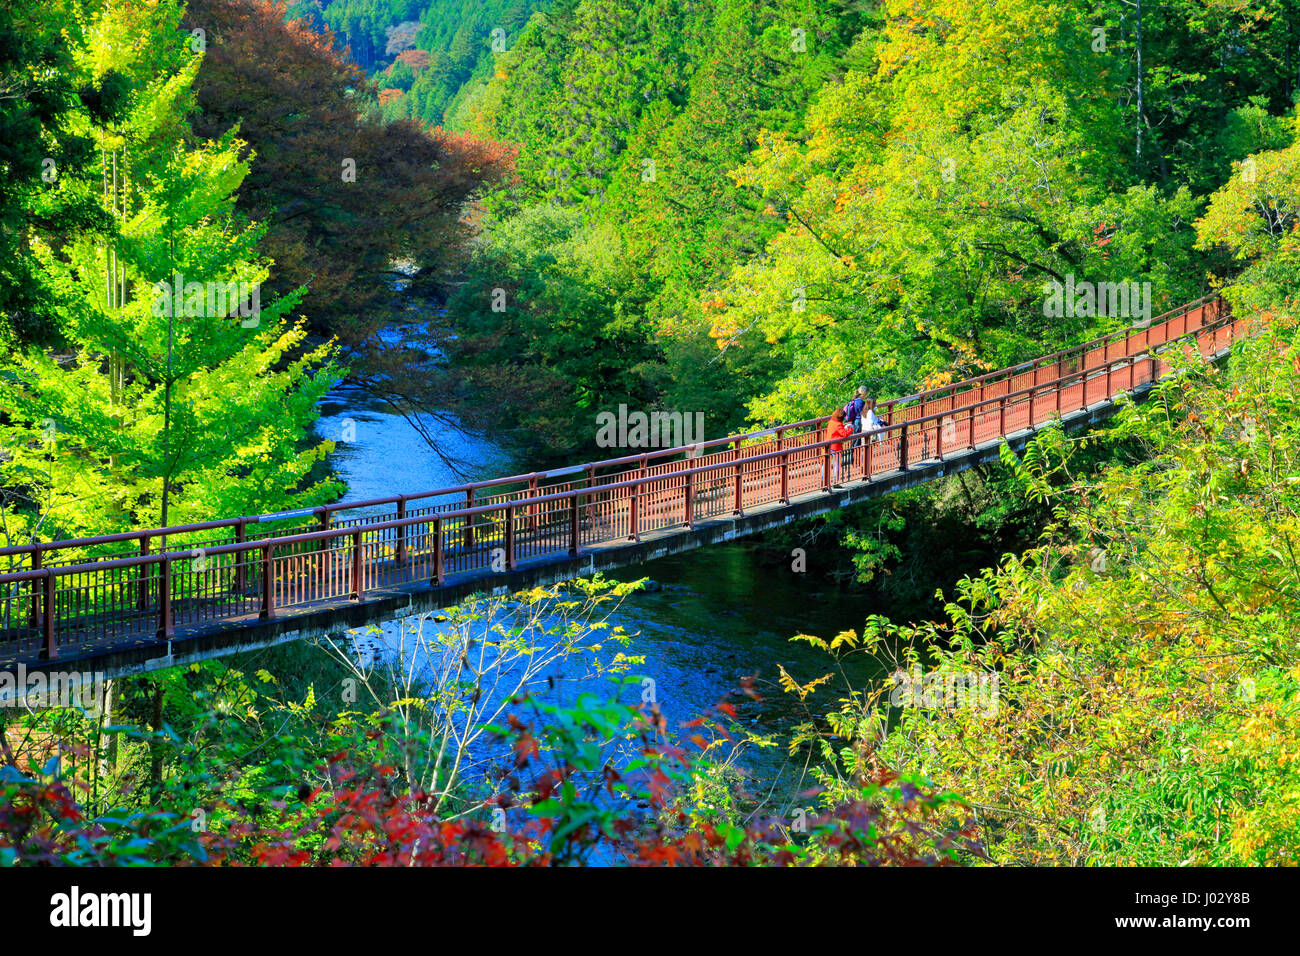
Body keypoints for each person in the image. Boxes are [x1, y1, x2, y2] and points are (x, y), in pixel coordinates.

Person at [826, 408, 854, 484]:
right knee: (837, 464)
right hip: (836, 447)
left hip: (827, 445)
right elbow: (844, 434)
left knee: (825, 464)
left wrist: (844, 428)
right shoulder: (838, 424)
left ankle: (823, 481)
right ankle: (836, 481)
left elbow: (836, 432)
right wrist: (851, 429)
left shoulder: (831, 421)